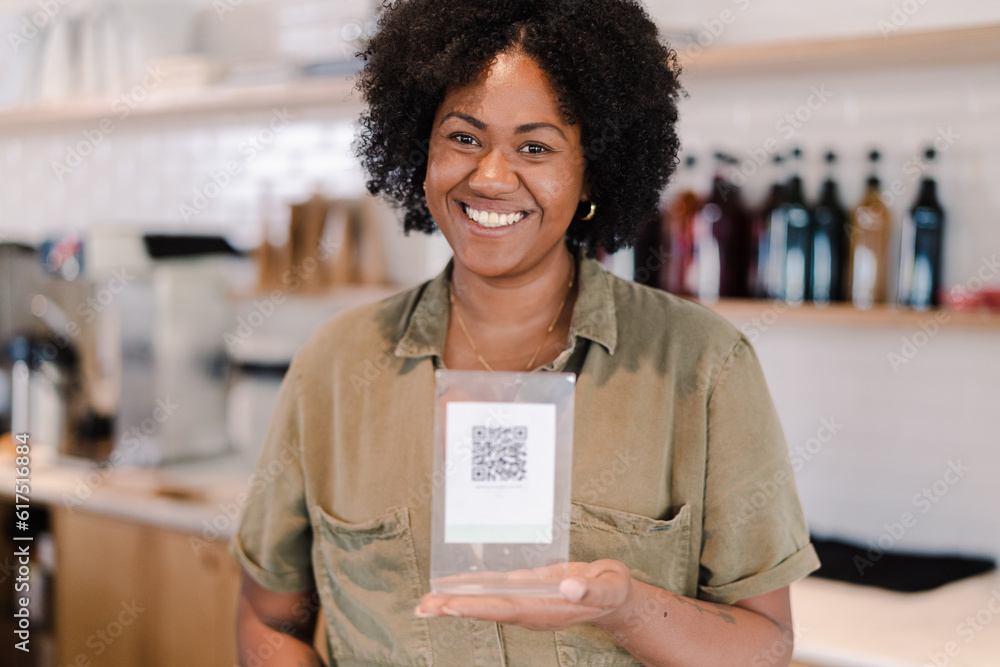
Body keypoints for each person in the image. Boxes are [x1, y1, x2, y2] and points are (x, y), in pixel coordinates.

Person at [233, 1, 820, 665]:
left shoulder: (701, 366)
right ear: (420, 143)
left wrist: (623, 608)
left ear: (592, 169)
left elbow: (764, 644)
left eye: (535, 147)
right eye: (463, 137)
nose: (489, 176)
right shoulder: (335, 367)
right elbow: (269, 617)